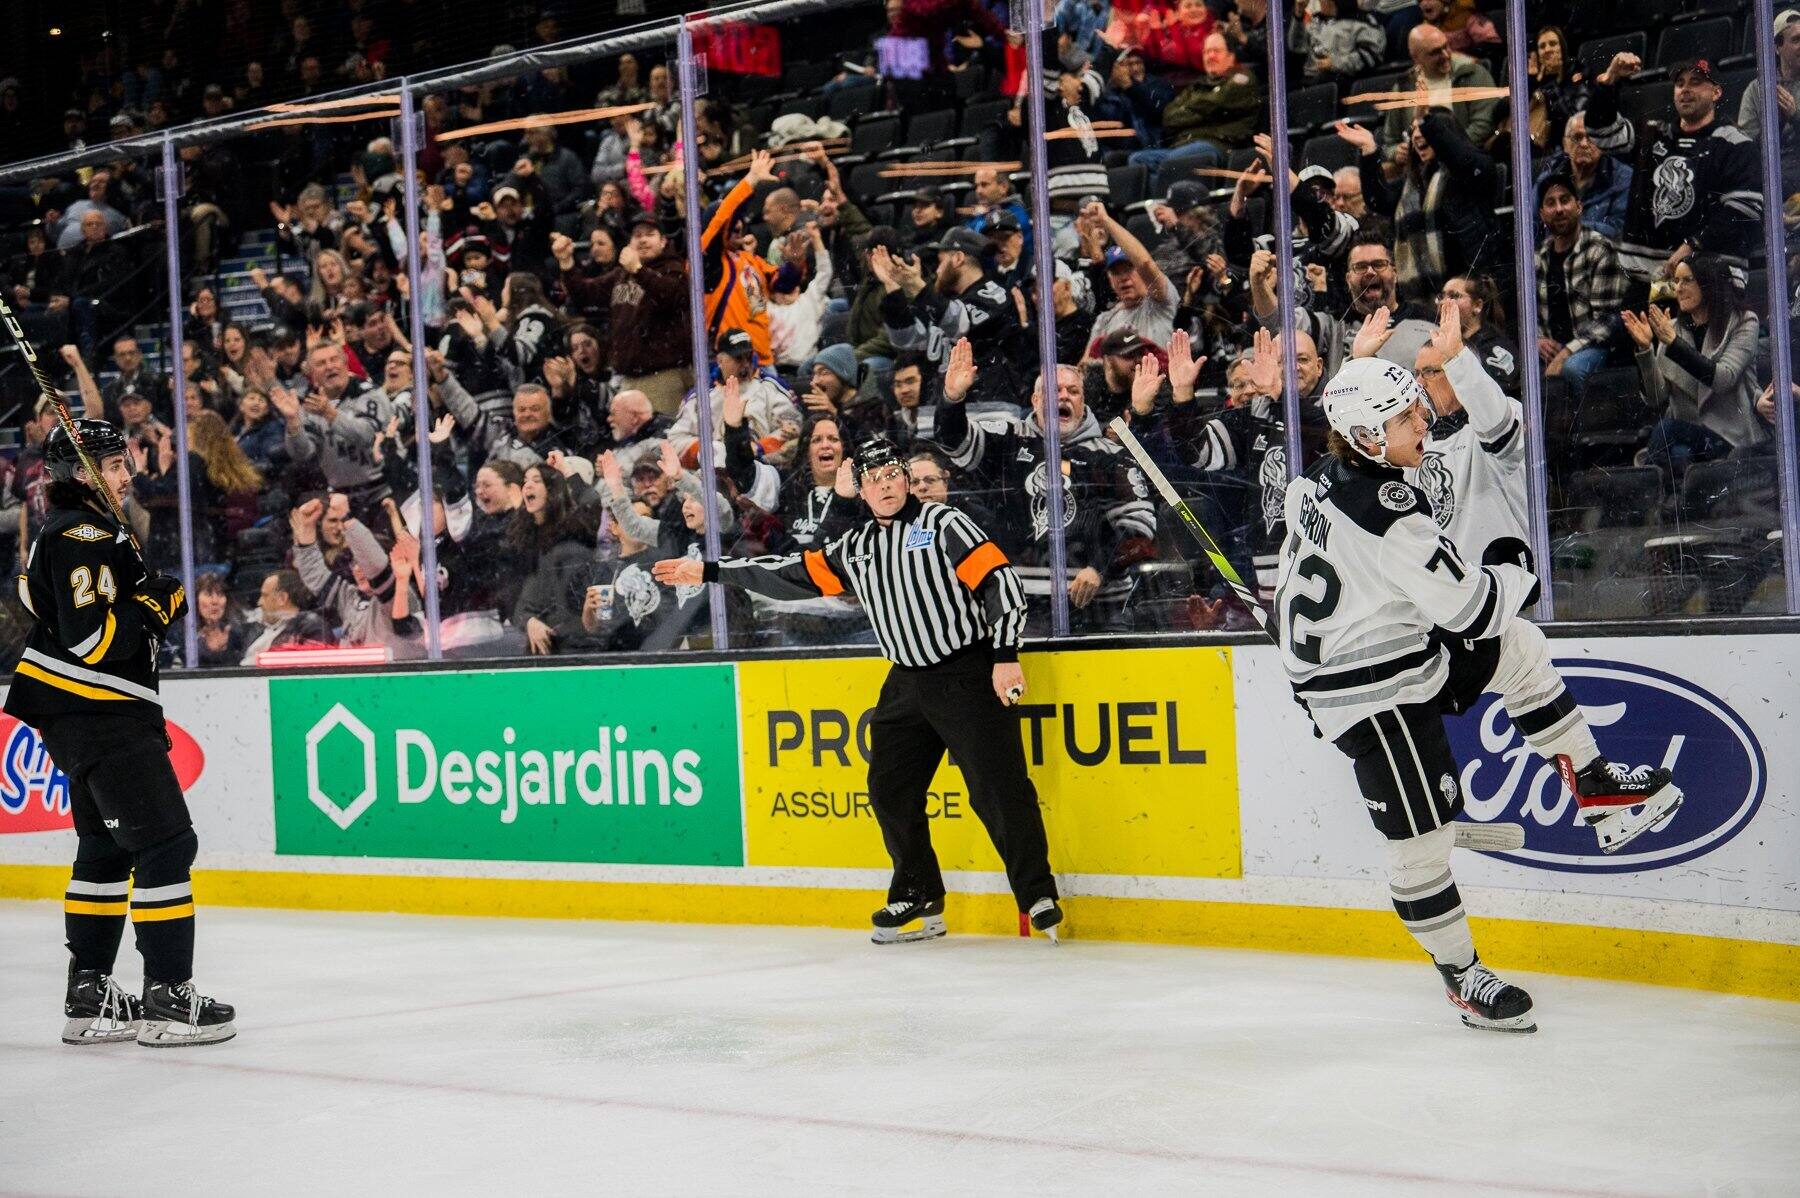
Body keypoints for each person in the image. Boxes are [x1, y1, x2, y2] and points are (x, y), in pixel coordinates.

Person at [1271, 359, 1681, 1032]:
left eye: (1415, 408)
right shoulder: (1390, 512)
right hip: (1371, 697)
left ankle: (1595, 783)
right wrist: (1518, 571)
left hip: (1400, 662)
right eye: (1404, 417)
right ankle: (1462, 976)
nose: (1422, 421)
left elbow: (1297, 556)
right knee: (1419, 847)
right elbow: (1472, 610)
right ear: (1368, 436)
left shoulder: (1311, 483)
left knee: (1516, 649)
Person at [653, 436, 1064, 944]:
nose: (885, 486)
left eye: (892, 475)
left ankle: (1036, 895)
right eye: (874, 480)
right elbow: (788, 573)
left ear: (906, 480)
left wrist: (1004, 656)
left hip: (967, 673)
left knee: (998, 791)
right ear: (861, 491)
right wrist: (712, 571)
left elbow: (1001, 584)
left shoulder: (945, 525)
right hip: (906, 682)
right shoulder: (859, 546)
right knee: (890, 790)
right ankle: (919, 893)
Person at [5, 419, 235, 1046]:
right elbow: (92, 639)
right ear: (80, 474)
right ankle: (167, 998)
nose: (125, 472)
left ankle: (89, 996)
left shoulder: (62, 532)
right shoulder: (84, 533)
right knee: (165, 845)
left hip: (78, 719)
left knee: (104, 851)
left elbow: (39, 603)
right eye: (110, 464)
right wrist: (154, 603)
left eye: (123, 460)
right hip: (104, 713)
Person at [1585, 54, 1763, 287]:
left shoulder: (1737, 145)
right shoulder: (1652, 133)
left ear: (1716, 92)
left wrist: (1693, 245)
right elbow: (1601, 132)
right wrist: (1610, 79)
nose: (1685, 89)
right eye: (1680, 83)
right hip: (1642, 280)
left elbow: (1744, 212)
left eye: (1696, 82)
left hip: (1709, 280)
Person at [1626, 253, 1767, 478]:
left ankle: (1644, 491)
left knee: (1667, 429)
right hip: (1686, 435)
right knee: (1680, 454)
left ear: (1709, 282)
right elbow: (1657, 398)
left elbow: (1723, 379)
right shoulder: (1673, 328)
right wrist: (1645, 351)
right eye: (1676, 281)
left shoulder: (1743, 321)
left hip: (1730, 437)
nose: (1678, 288)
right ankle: (1657, 503)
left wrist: (1673, 344)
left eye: (1687, 280)